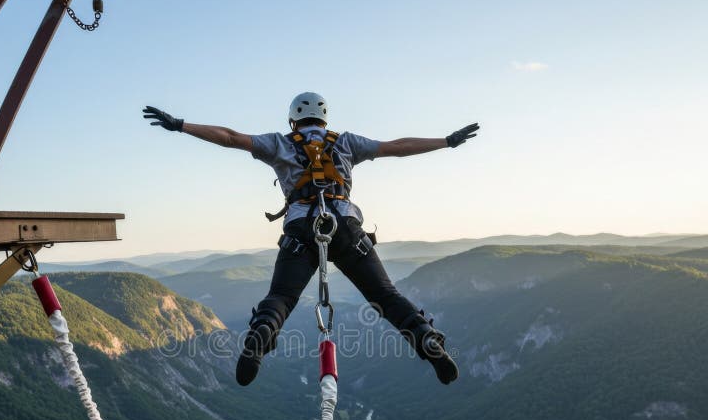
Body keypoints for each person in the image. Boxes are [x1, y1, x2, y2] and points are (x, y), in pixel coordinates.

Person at [143, 93, 479, 387]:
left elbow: (230, 137)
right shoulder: (346, 143)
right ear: (324, 118)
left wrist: (181, 124)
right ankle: (426, 340)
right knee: (386, 296)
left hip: (303, 228)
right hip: (346, 227)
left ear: (293, 121)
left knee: (282, 297)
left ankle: (261, 336)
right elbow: (398, 147)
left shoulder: (279, 143)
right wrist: (445, 141)